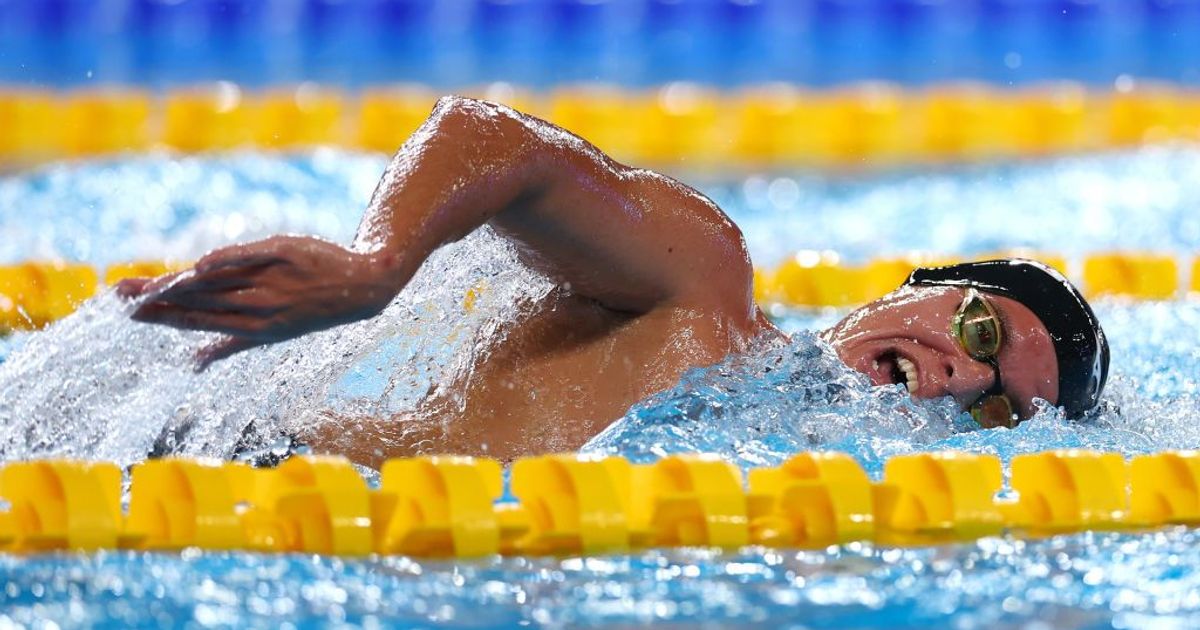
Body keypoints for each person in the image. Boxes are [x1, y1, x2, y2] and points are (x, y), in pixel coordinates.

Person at [117, 96, 1109, 467]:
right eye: (982, 331)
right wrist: (376, 268)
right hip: (212, 467)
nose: (961, 380)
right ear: (918, 285)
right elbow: (492, 139)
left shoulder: (783, 498)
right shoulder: (701, 290)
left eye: (997, 413)